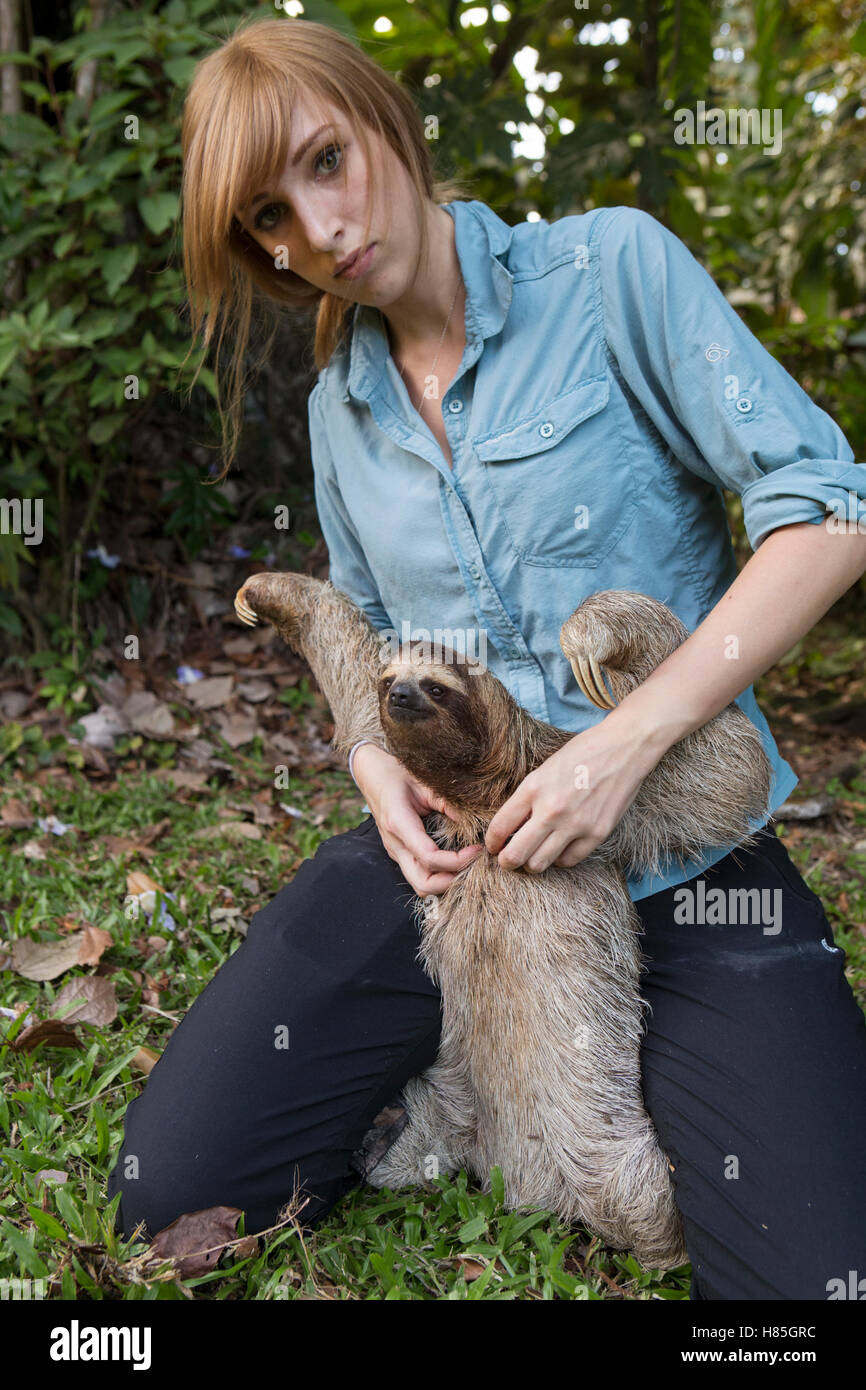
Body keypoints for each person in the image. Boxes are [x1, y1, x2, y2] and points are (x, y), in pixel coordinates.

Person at [107, 16, 866, 1299]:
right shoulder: (335, 412)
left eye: (326, 160)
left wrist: (620, 750)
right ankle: (463, 1063)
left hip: (682, 853)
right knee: (170, 1189)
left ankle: (596, 1053)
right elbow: (357, 622)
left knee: (819, 1277)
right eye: (272, 218)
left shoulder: (612, 270)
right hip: (463, 875)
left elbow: (829, 509)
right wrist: (367, 765)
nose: (321, 227)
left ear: (384, 117)